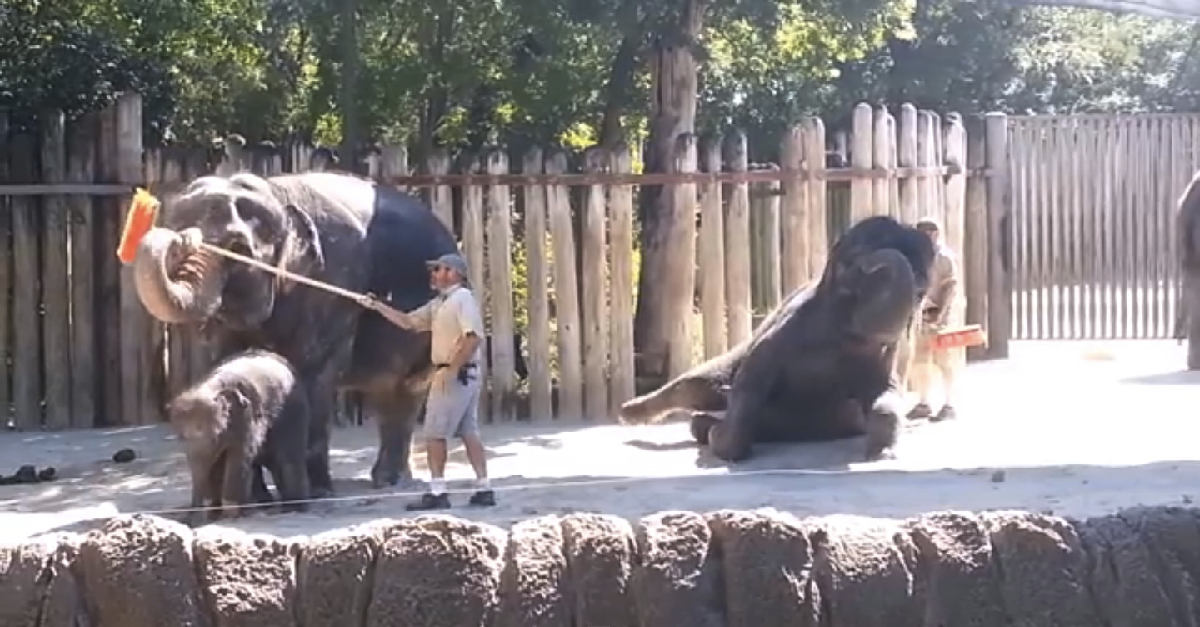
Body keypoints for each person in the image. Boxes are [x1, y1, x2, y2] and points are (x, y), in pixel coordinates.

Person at [357, 252, 495, 510]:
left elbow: (473, 336)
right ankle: (483, 488)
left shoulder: (462, 298)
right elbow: (408, 322)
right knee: (468, 432)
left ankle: (438, 492)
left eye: (439, 269)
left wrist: (451, 370)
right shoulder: (440, 304)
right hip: (463, 374)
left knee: (434, 434)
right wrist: (376, 306)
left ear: (454, 273)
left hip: (454, 374)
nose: (433, 274)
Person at [906, 217, 963, 422]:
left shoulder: (944, 257)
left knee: (945, 361)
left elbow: (951, 287)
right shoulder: (915, 257)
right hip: (921, 317)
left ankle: (949, 403)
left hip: (941, 317)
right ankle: (924, 402)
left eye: (930, 231)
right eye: (922, 231)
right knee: (920, 361)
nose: (926, 234)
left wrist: (942, 313)